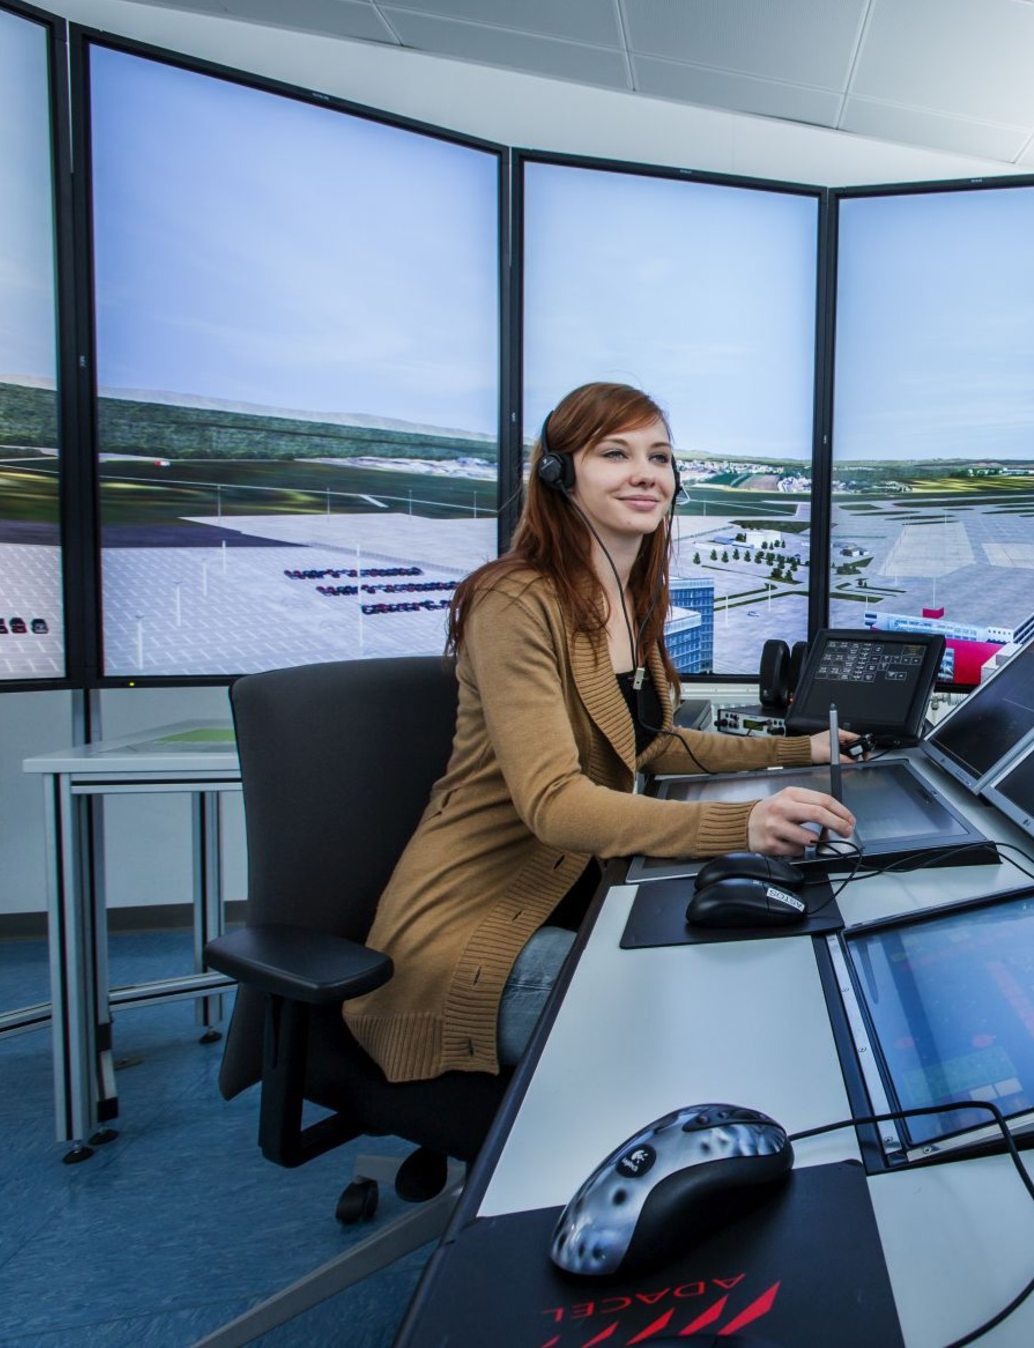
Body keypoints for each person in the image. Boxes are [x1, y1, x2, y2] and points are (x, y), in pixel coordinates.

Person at [346, 382, 854, 1083]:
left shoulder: (628, 599)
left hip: (574, 898)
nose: (647, 472)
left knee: (738, 976)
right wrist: (746, 826)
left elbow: (654, 743)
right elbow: (554, 800)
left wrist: (806, 749)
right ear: (559, 473)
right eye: (615, 453)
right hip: (469, 935)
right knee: (701, 1024)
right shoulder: (513, 600)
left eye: (660, 455)